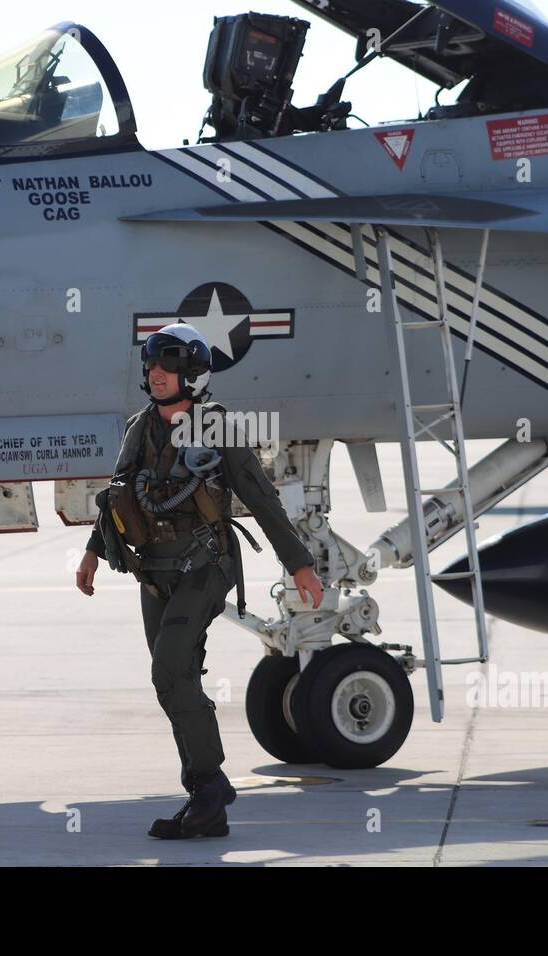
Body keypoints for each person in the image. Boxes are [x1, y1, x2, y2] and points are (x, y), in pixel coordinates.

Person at [75, 322, 324, 839]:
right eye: (151, 364)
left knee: (169, 669)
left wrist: (299, 563)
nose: (156, 372)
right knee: (174, 679)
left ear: (191, 373)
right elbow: (116, 497)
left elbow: (260, 497)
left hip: (204, 566)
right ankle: (205, 796)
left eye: (167, 365)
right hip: (153, 572)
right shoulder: (139, 427)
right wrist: (92, 554)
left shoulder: (218, 428)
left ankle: (208, 792)